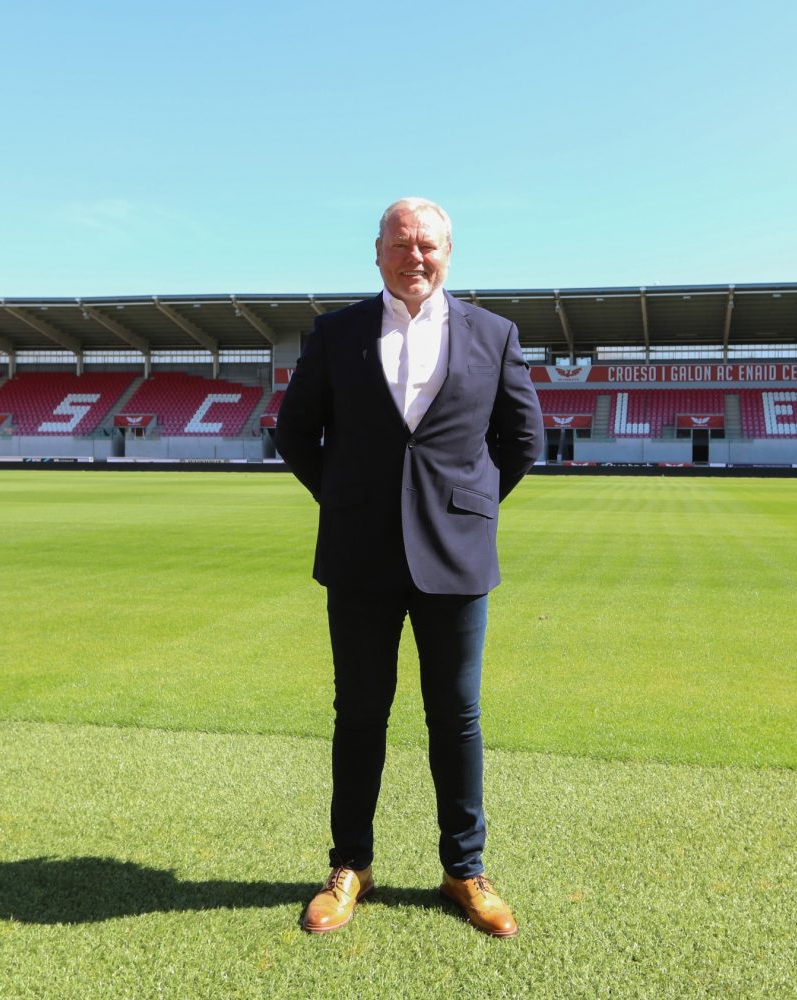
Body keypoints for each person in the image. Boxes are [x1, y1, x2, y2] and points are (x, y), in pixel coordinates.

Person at [275, 197, 542, 938]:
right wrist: (345, 498)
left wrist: (469, 506)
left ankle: (465, 870)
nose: (413, 257)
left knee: (456, 719)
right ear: (377, 252)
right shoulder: (336, 335)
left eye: (427, 245)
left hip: (456, 557)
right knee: (358, 715)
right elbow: (297, 432)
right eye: (400, 244)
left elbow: (522, 438)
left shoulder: (494, 335)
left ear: (449, 252)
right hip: (359, 555)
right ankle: (350, 864)